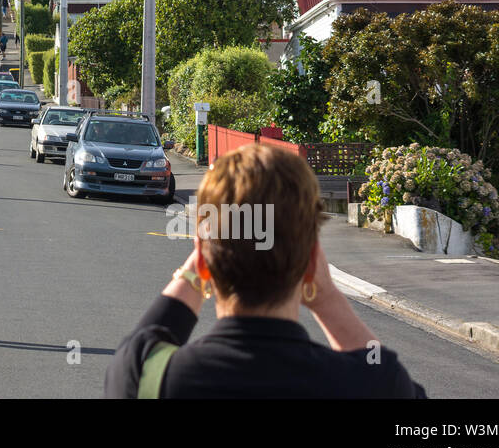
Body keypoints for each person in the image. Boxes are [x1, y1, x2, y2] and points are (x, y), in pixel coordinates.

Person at [104, 144, 427, 398]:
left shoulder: (149, 377)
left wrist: (198, 264)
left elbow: (144, 341)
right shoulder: (375, 384)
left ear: (204, 259)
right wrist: (325, 295)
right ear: (312, 262)